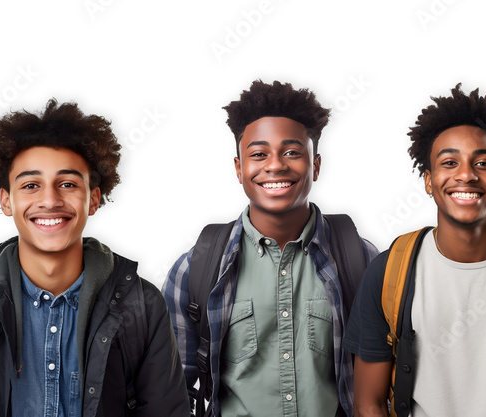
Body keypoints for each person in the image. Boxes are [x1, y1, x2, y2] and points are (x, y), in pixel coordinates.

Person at [0, 99, 189, 416]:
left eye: (68, 184)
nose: (49, 200)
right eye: (31, 185)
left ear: (94, 199)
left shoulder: (143, 304)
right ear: (6, 201)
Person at [344, 84, 486, 417]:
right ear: (428, 180)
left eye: (483, 163)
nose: (466, 175)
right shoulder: (387, 272)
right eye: (450, 162)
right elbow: (368, 404)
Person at [162, 80, 379, 417]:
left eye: (292, 152)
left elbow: (381, 387)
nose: (275, 165)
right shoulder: (196, 269)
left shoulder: (360, 259)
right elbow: (172, 393)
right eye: (259, 154)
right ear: (239, 169)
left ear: (315, 165)